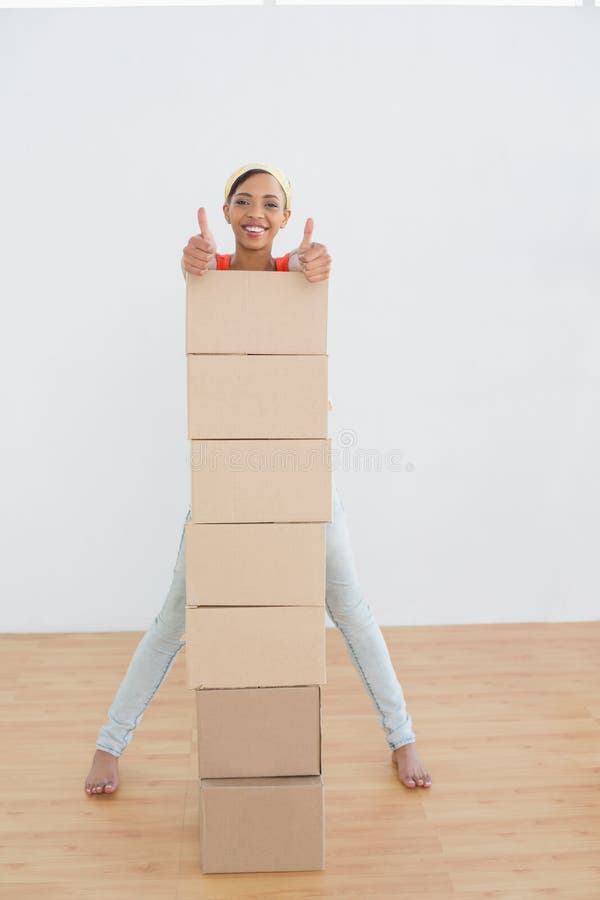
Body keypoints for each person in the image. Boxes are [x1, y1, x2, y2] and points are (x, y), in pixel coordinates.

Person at [85, 163, 432, 795]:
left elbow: (313, 281)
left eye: (271, 204)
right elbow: (199, 288)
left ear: (284, 218)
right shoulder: (208, 274)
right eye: (244, 200)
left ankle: (402, 737)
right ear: (225, 212)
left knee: (348, 605)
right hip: (229, 480)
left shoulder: (296, 277)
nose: (257, 212)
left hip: (302, 473)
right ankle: (110, 744)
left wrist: (315, 264)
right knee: (176, 615)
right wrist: (192, 260)